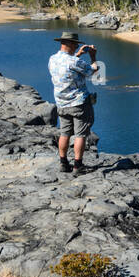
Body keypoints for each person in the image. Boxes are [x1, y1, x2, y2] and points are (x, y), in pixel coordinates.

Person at [48, 31, 101, 174]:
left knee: (64, 133)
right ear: (71, 44)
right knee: (80, 134)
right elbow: (93, 71)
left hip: (61, 103)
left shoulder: (52, 59)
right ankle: (78, 166)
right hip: (78, 103)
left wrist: (77, 54)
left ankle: (63, 163)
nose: (76, 46)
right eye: (76, 44)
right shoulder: (75, 62)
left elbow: (68, 66)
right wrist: (93, 56)